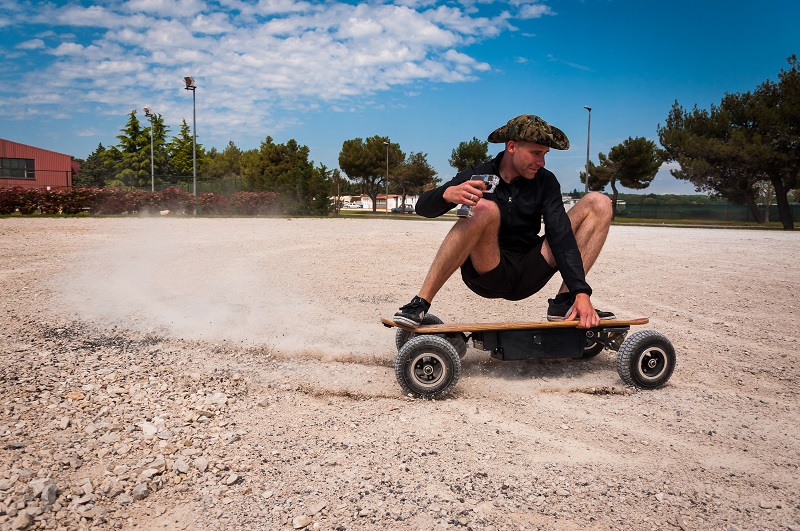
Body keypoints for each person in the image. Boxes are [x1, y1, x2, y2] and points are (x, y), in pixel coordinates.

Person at [393, 114, 614, 329]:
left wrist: (580, 291)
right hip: (488, 270)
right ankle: (421, 303)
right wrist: (446, 194)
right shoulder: (478, 175)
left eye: (545, 154)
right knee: (483, 208)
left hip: (530, 271)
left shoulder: (546, 182)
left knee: (599, 202)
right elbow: (422, 207)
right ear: (511, 147)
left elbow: (561, 234)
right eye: (536, 153)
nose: (542, 162)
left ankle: (565, 302)